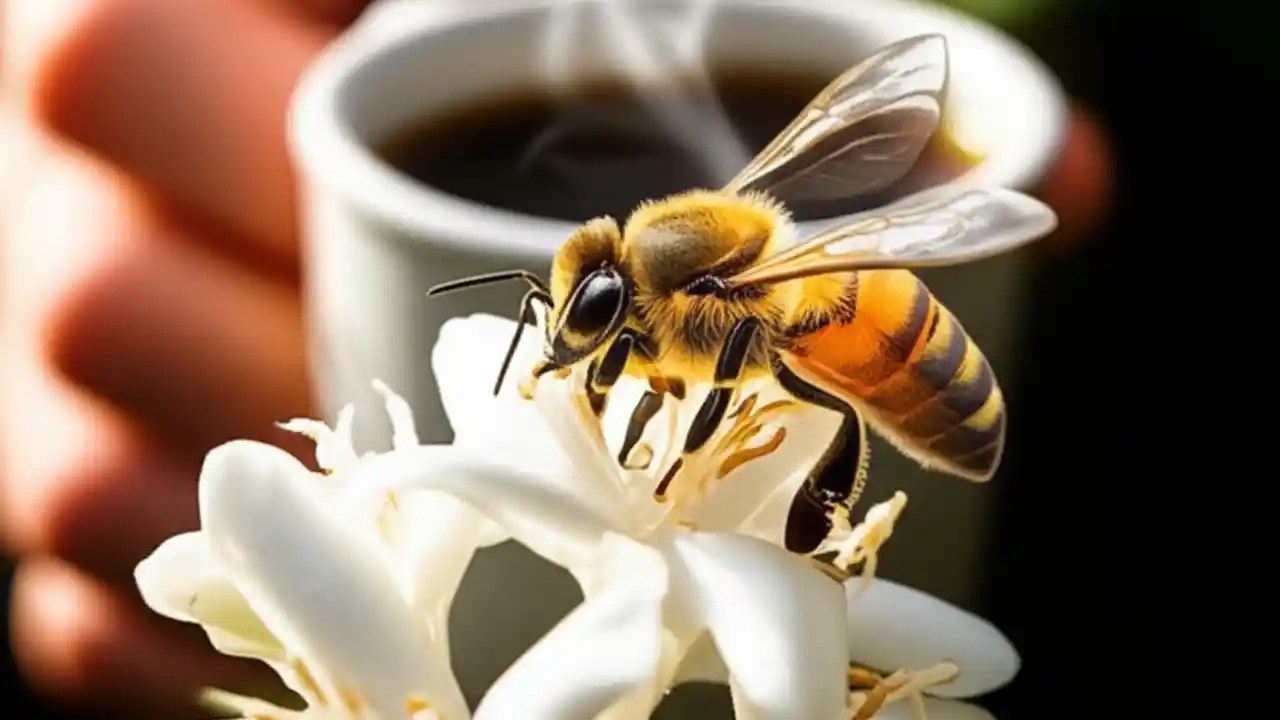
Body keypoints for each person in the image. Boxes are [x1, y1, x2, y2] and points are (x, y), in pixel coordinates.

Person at [0, 1, 1112, 717]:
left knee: (798, 398)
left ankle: (814, 553)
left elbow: (753, 396)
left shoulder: (693, 343)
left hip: (923, 378)